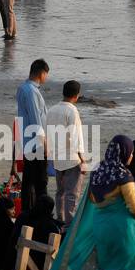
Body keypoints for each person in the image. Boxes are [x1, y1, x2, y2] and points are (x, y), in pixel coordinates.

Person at [39, 135, 135, 270]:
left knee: (107, 267)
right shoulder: (123, 175)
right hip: (123, 231)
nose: (131, 157)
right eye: (130, 153)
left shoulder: (98, 172)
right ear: (124, 153)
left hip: (101, 228)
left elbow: (91, 200)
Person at [46, 80, 89, 224]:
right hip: (71, 158)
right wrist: (82, 159)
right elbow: (76, 137)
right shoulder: (71, 110)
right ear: (77, 95)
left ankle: (60, 219)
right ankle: (70, 225)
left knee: (60, 192)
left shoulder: (52, 110)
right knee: (72, 193)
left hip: (57, 158)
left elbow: (48, 134)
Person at [16, 59, 51, 209]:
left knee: (29, 181)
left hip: (28, 141)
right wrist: (44, 144)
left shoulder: (24, 88)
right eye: (46, 74)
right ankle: (40, 215)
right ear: (42, 73)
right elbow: (36, 119)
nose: (47, 78)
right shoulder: (31, 91)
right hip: (35, 143)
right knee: (40, 182)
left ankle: (27, 213)